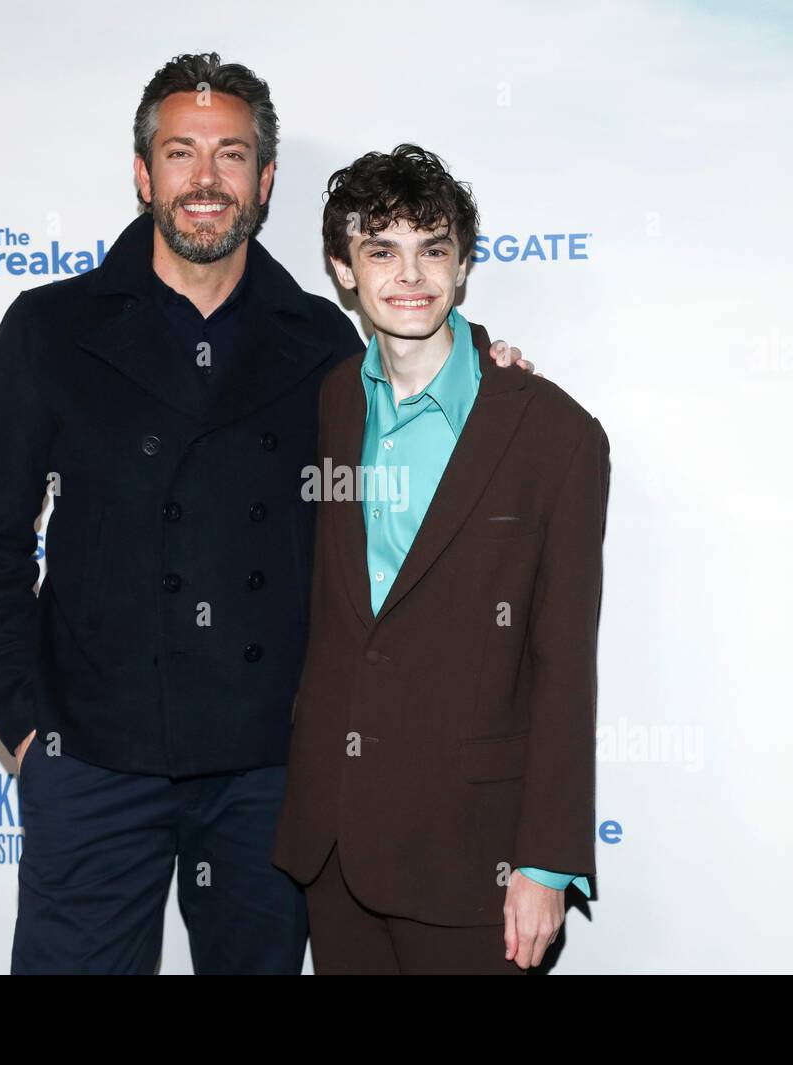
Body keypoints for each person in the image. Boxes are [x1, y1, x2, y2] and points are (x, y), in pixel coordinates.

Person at [0, 55, 531, 975]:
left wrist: (488, 380)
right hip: (96, 753)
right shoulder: (50, 328)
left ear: (264, 182)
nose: (205, 179)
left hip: (267, 765)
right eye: (181, 153)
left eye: (231, 155)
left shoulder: (317, 339)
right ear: (145, 175)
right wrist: (28, 726)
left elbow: (391, 491)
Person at [271, 144, 610, 974]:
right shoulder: (331, 400)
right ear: (343, 270)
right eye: (381, 249)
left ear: (462, 267)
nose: (409, 274)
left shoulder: (555, 435)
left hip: (474, 857)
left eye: (433, 248)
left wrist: (545, 861)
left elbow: (565, 661)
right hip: (335, 845)